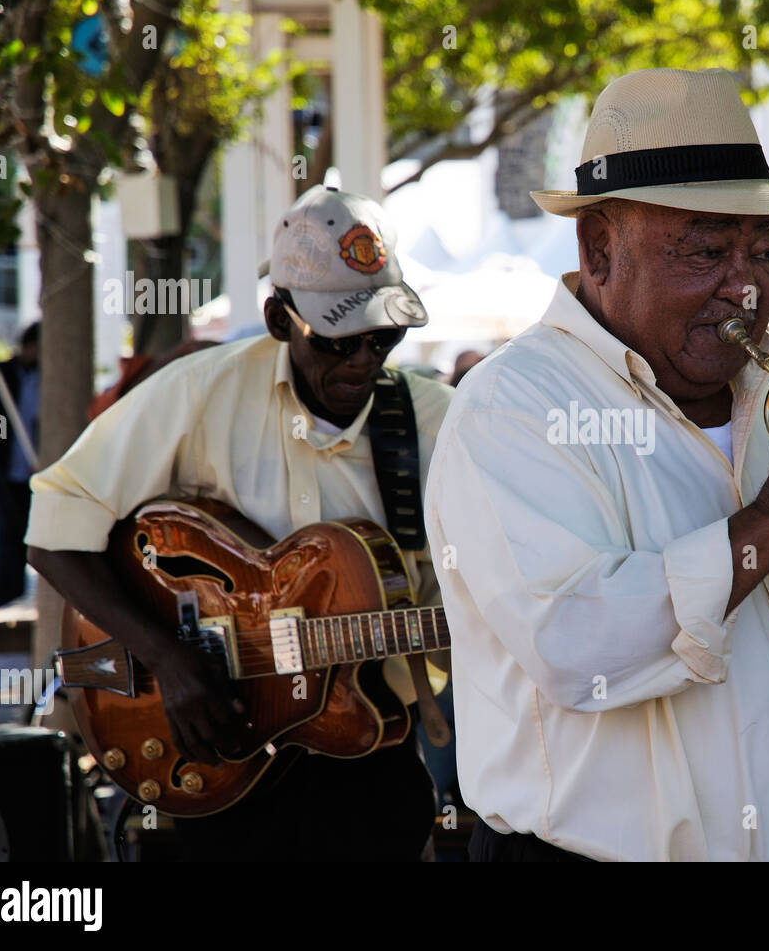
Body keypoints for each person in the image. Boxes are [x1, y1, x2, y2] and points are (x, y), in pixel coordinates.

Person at [424, 68, 769, 862]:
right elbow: (577, 645)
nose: (745, 289)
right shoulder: (511, 408)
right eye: (705, 250)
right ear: (600, 246)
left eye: (765, 254)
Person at [25, 185, 451, 861]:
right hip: (225, 757)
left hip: (370, 766)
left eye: (383, 336)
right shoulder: (199, 392)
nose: (365, 358)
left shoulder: (441, 424)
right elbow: (53, 524)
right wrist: (169, 655)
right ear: (279, 319)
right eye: (342, 339)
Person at [0, 322, 40, 608]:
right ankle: (3, 602)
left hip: (34, 471)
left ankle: (22, 599)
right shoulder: (2, 374)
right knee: (6, 538)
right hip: (4, 472)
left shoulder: (45, 376)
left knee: (28, 538)